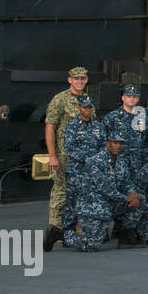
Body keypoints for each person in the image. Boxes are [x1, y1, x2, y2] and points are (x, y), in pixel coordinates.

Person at [63, 130, 142, 252]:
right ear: (107, 144)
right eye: (115, 143)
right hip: (93, 206)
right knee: (92, 246)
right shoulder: (95, 162)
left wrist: (133, 194)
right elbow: (106, 189)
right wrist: (127, 198)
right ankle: (61, 235)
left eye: (121, 143)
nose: (118, 146)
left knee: (141, 199)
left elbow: (126, 182)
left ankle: (127, 234)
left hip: (111, 203)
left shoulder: (121, 161)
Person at [43, 65, 89, 249]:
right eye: (76, 78)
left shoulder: (87, 100)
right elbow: (50, 127)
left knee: (80, 191)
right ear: (69, 80)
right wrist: (52, 155)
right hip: (64, 155)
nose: (79, 81)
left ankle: (75, 228)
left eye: (83, 78)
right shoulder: (60, 99)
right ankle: (56, 228)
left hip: (83, 157)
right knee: (61, 192)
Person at [61, 95, 105, 238]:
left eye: (90, 107)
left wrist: (97, 160)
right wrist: (87, 159)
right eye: (85, 107)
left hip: (93, 171)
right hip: (76, 171)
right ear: (80, 108)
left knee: (92, 200)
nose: (88, 110)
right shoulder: (73, 125)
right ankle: (67, 233)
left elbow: (104, 145)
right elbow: (69, 147)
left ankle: (91, 231)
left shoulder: (98, 126)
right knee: (72, 203)